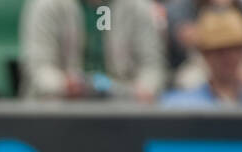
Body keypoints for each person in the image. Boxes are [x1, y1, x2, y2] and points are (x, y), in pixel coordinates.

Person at [19, 0, 167, 101]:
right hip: (60, 106)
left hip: (124, 108)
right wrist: (62, 84)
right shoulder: (47, 5)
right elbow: (38, 68)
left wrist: (145, 90)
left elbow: (152, 66)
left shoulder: (138, 7)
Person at [162, 5, 242, 104]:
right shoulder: (186, 93)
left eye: (235, 49)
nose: (228, 57)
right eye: (219, 51)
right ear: (205, 54)